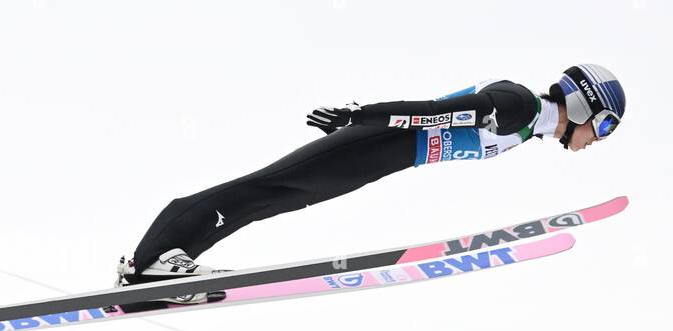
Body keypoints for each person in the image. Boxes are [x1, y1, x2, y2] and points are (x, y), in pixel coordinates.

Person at [116, 64, 626, 287]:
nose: (599, 139)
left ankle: (164, 266)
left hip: (384, 155)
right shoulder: (517, 105)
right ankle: (152, 259)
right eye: (604, 126)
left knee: (268, 199)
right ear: (585, 106)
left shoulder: (523, 126)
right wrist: (362, 116)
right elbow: (430, 112)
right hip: (378, 144)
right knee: (263, 189)